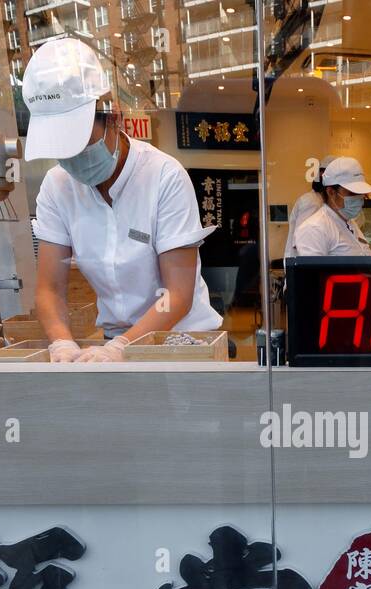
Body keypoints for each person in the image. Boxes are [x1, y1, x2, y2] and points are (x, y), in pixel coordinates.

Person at [24, 37, 222, 363]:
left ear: (113, 118)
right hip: (114, 341)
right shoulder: (56, 188)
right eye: (62, 151)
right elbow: (49, 289)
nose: (71, 160)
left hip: (181, 338)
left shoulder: (163, 177)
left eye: (78, 144)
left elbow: (178, 294)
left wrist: (120, 348)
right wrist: (62, 343)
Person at [289, 157, 371, 257]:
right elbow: (314, 271)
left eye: (361, 193)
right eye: (352, 193)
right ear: (331, 192)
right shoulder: (314, 229)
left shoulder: (349, 223)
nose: (359, 198)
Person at [283, 155, 336, 260]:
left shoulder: (323, 201)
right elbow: (303, 242)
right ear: (322, 174)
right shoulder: (311, 202)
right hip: (303, 266)